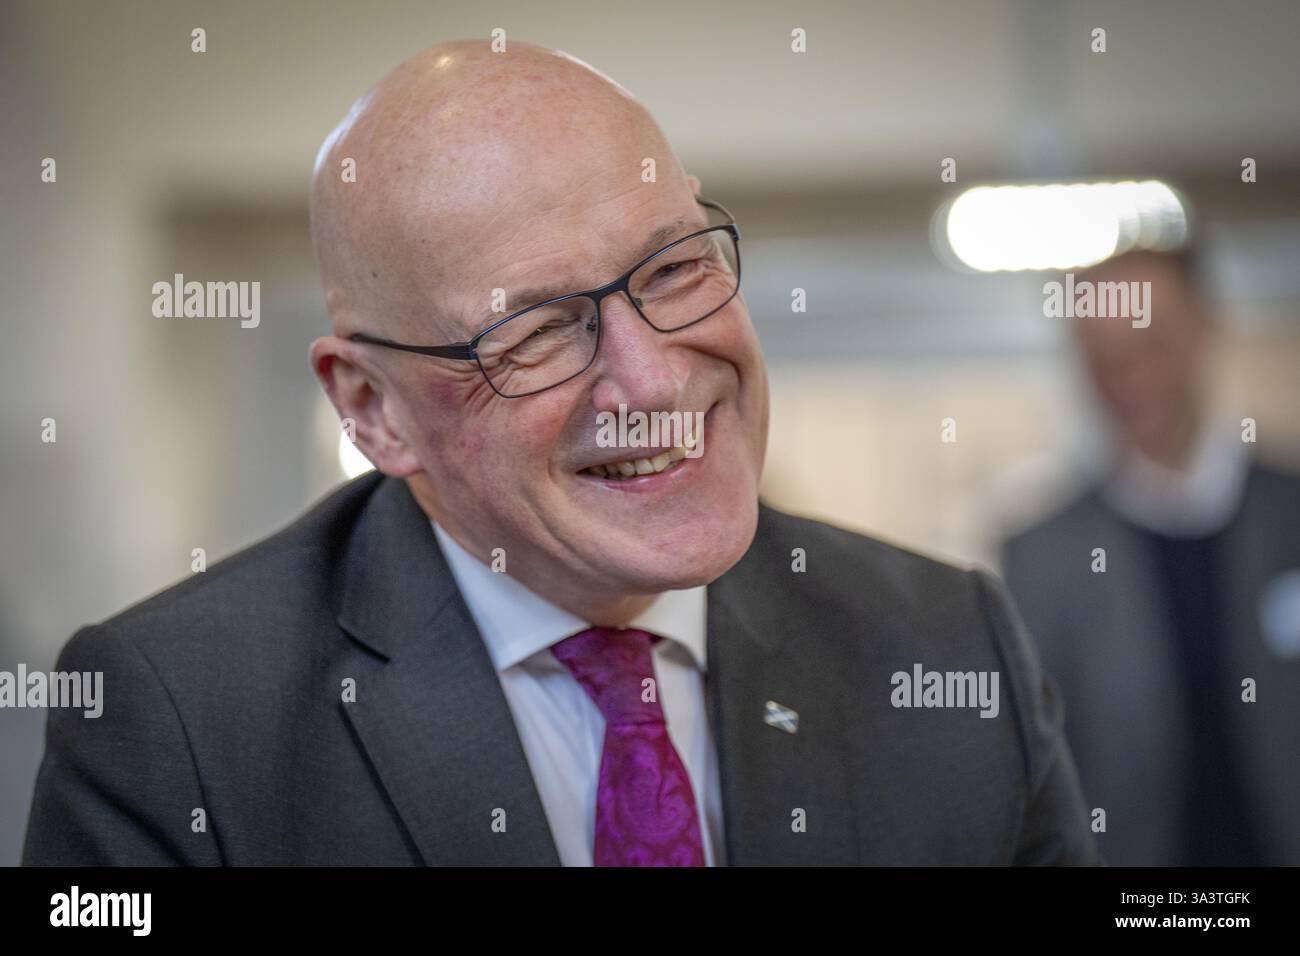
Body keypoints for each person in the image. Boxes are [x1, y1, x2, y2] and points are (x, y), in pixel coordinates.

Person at [24, 40, 1097, 866]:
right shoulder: (179, 720)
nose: (654, 378)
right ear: (373, 408)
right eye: (535, 331)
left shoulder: (950, 646)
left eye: (673, 269)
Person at [1003, 248, 1300, 866]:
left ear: (1206, 328)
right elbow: (1037, 772)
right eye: (1103, 357)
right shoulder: (1042, 555)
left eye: (1152, 346)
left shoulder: (1286, 512)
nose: (1131, 378)